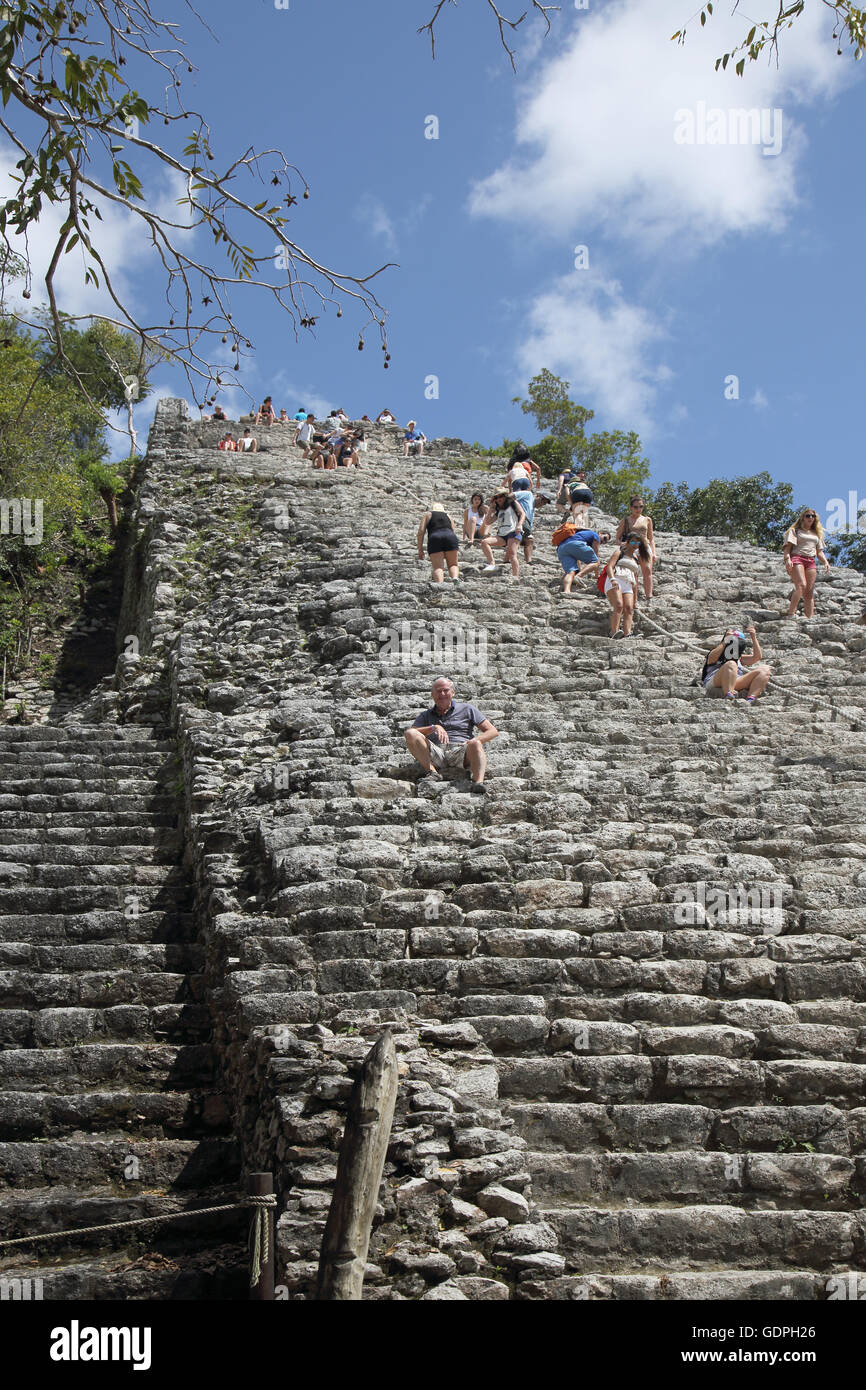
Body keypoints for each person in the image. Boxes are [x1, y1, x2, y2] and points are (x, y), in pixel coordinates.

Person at [405, 676, 499, 792]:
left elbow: (492, 731)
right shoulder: (425, 715)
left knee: (476, 743)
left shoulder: (467, 709)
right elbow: (411, 734)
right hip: (436, 752)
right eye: (438, 691)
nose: (442, 694)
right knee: (410, 733)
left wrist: (474, 741)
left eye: (446, 690)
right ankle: (433, 772)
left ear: (453, 692)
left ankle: (478, 782)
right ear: (432, 695)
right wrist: (433, 727)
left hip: (460, 750)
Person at [699, 626, 771, 704]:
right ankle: (729, 695)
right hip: (714, 683)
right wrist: (726, 639)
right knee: (731, 664)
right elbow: (713, 657)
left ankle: (751, 698)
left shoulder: (739, 658)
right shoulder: (716, 653)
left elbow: (756, 657)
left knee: (765, 670)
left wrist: (753, 637)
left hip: (735, 681)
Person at [784, 508, 831, 619]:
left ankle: (810, 618)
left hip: (810, 561)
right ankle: (791, 613)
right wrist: (787, 559)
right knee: (801, 585)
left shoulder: (817, 534)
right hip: (797, 558)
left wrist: (825, 562)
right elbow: (787, 548)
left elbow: (819, 552)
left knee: (809, 592)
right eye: (808, 516)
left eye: (813, 516)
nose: (811, 518)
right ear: (803, 518)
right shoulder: (795, 531)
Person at [601, 532, 649, 637]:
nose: (635, 544)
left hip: (628, 583)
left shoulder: (636, 559)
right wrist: (613, 579)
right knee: (619, 605)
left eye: (638, 543)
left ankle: (628, 633)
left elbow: (635, 578)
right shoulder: (619, 552)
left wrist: (635, 598)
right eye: (632, 541)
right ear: (627, 542)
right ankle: (614, 631)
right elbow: (610, 566)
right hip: (616, 580)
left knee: (629, 607)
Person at [615, 496, 657, 601]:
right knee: (634, 572)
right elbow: (617, 538)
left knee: (647, 570)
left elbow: (651, 538)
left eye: (641, 506)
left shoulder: (647, 520)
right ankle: (634, 598)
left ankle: (649, 595)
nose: (638, 509)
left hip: (644, 545)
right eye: (636, 507)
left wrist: (654, 553)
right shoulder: (626, 520)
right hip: (632, 547)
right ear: (631, 507)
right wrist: (622, 544)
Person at [480, 487, 527, 579]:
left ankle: (515, 576)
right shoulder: (499, 510)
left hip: (513, 532)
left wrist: (519, 525)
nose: (499, 499)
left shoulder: (513, 503)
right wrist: (490, 509)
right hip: (502, 534)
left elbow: (522, 514)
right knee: (484, 542)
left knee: (513, 555)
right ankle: (492, 563)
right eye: (496, 498)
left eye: (501, 496)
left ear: (505, 496)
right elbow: (487, 522)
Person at [556, 525, 611, 594]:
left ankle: (566, 591)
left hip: (561, 549)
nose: (603, 541)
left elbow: (577, 559)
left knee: (571, 572)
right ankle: (578, 576)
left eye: (605, 542)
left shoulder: (581, 534)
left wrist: (579, 570)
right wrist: (596, 575)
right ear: (600, 533)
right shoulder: (595, 535)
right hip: (575, 544)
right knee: (596, 562)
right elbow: (596, 556)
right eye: (605, 538)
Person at [417, 502, 460, 583]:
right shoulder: (448, 516)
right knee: (453, 564)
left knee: (438, 567)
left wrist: (420, 549)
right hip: (450, 537)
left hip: (435, 537)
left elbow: (421, 532)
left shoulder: (428, 515)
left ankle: (440, 585)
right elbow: (453, 530)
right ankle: (455, 578)